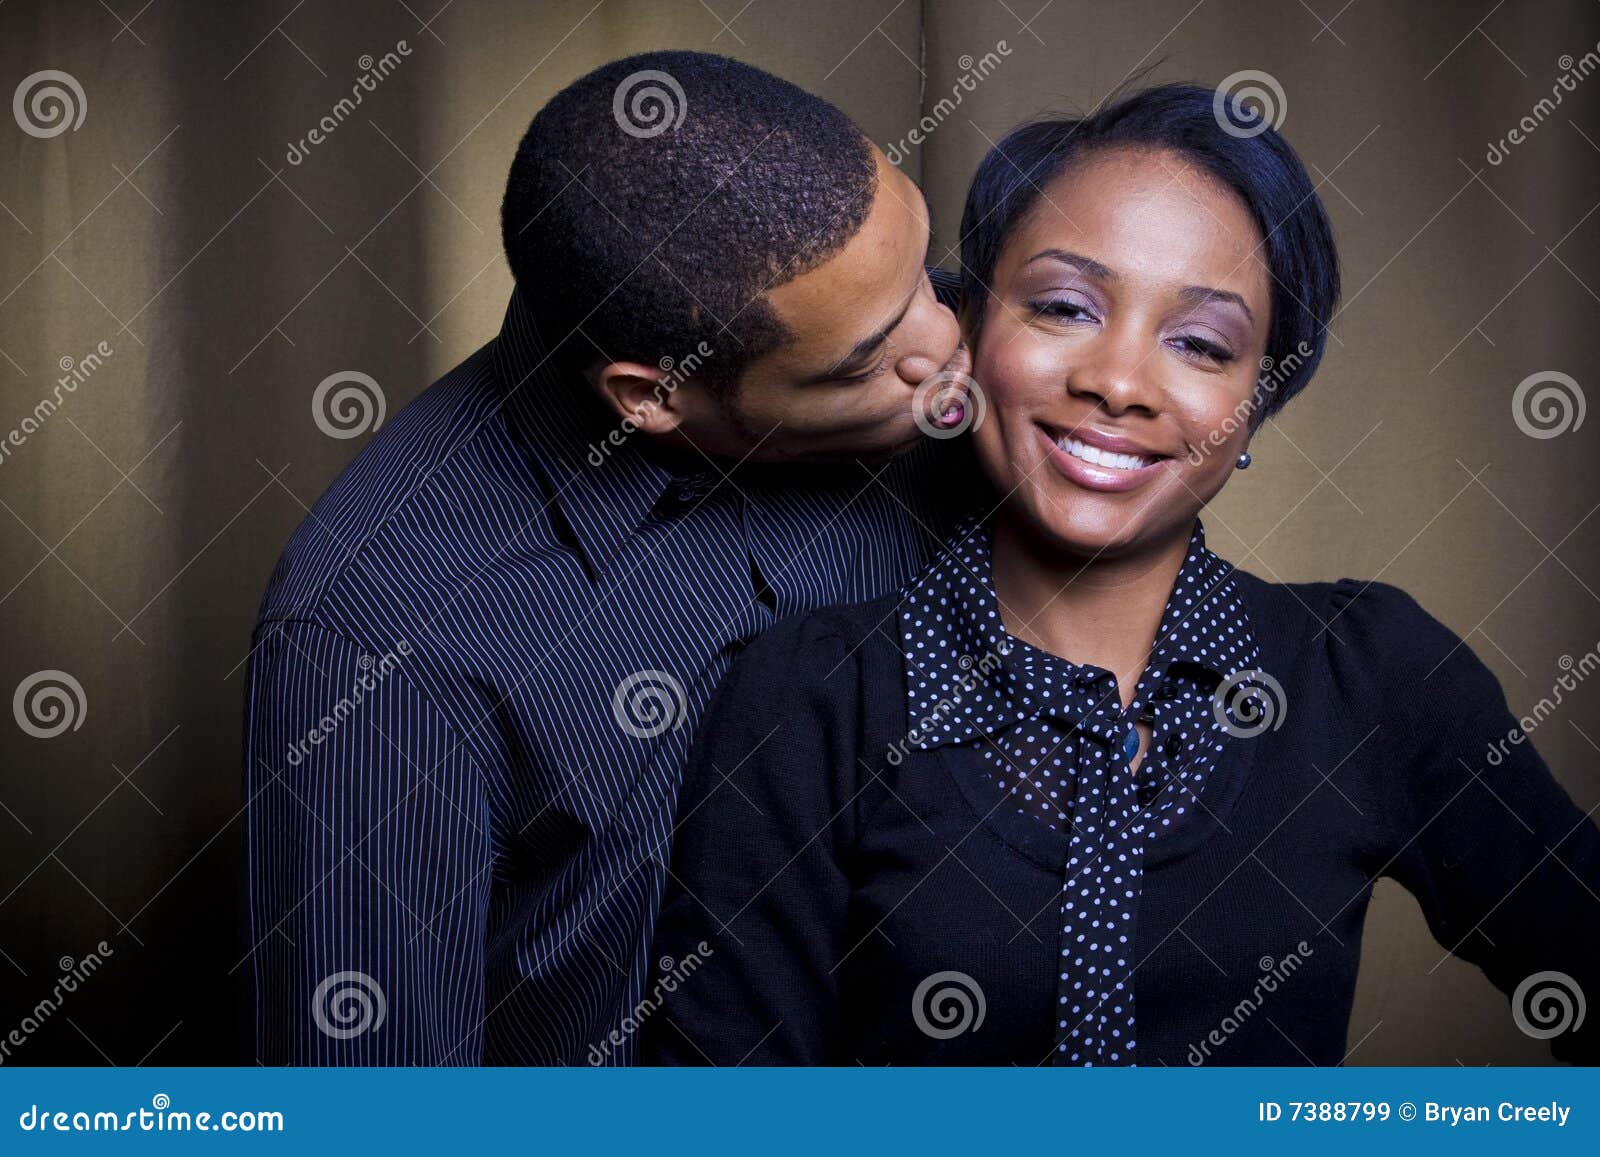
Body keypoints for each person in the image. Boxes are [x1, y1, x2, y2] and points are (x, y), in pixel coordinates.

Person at [644, 84, 1600, 1066]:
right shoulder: (812, 690)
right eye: (1063, 306)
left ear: (1255, 405)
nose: (1119, 381)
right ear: (969, 330)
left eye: (1200, 343)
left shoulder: (1371, 675)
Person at [243, 50, 977, 1065]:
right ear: (650, 394)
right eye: (867, 360)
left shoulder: (919, 342)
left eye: (923, 276)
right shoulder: (375, 639)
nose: (946, 344)